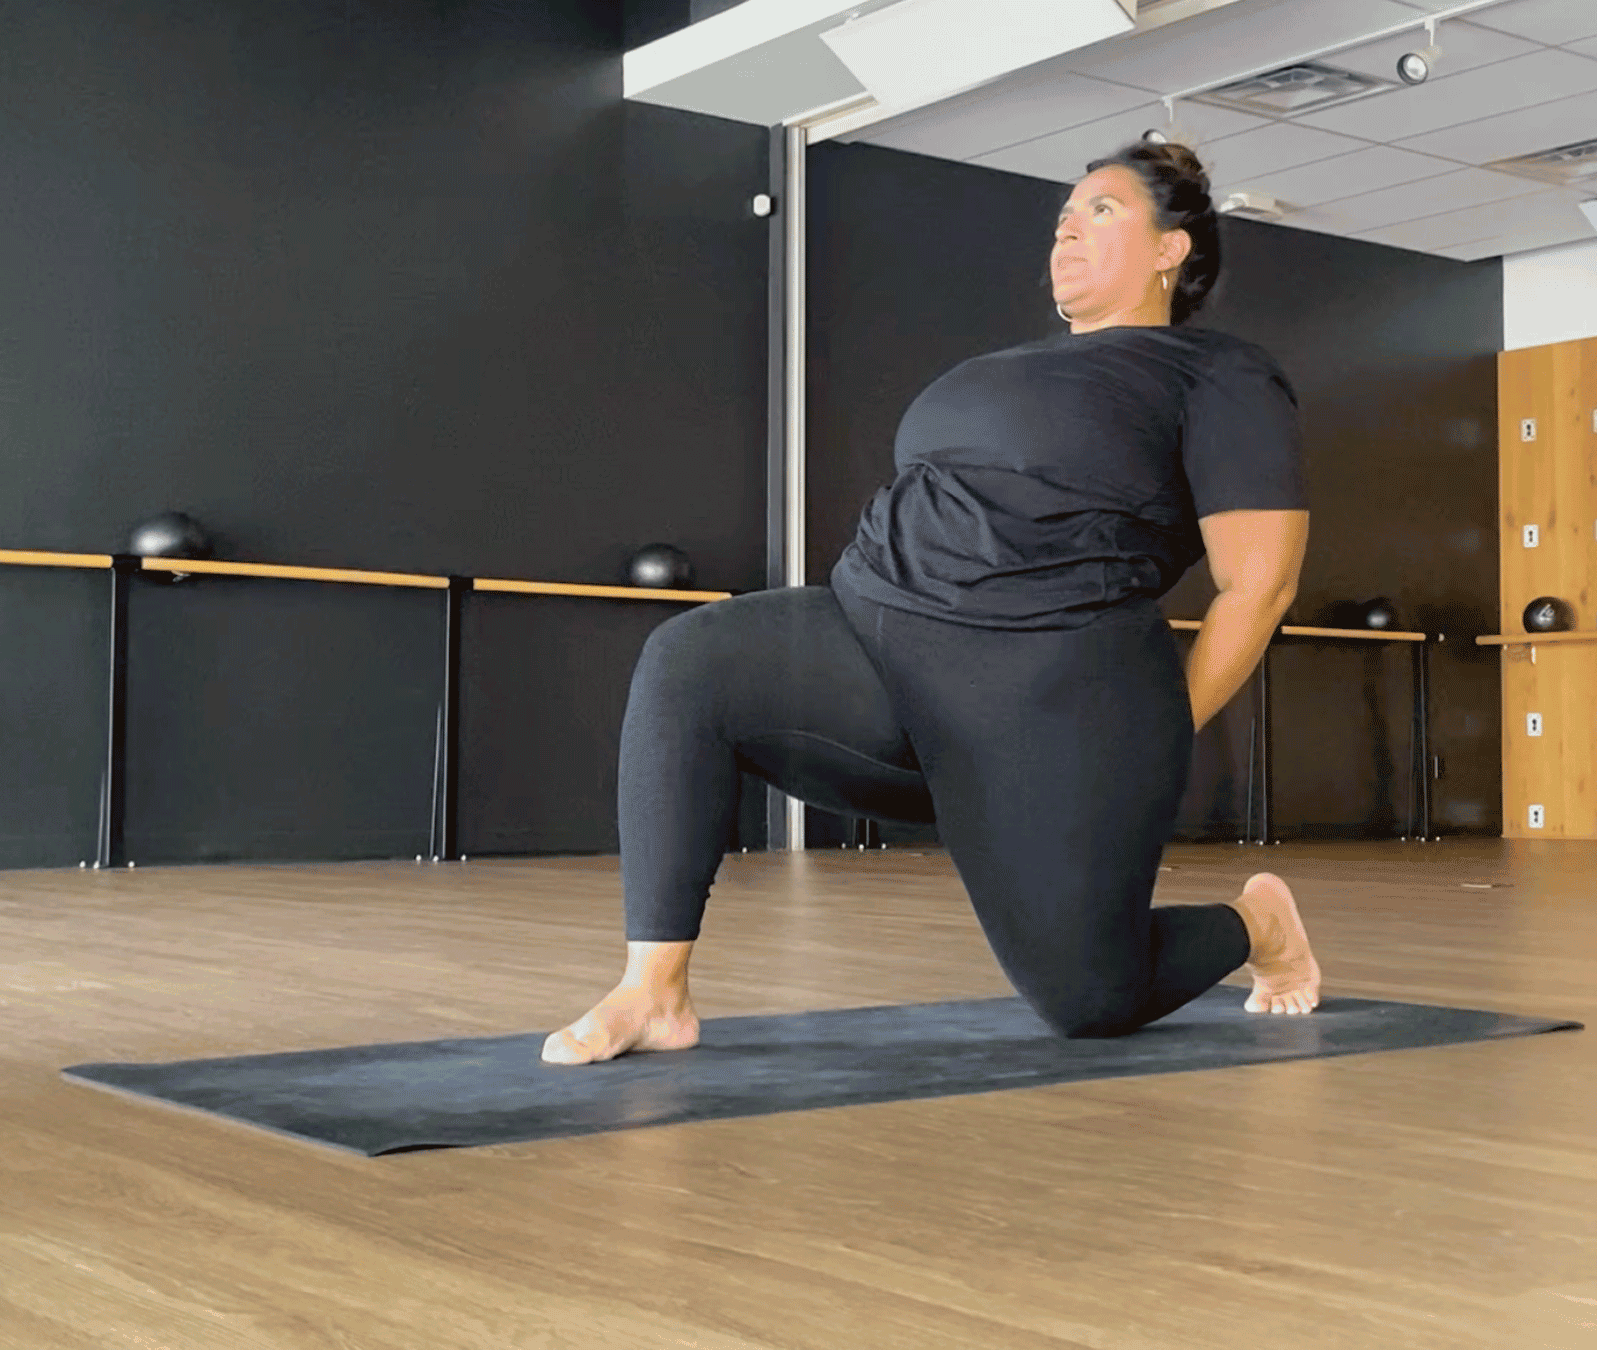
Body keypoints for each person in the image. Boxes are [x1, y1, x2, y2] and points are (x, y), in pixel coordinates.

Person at [544, 139, 1321, 1066]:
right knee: (689, 663)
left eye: (1103, 209)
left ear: (1171, 251)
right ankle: (655, 991)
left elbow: (1260, 581)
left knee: (1087, 999)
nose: (1068, 225)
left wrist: (1154, 731)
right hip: (873, 633)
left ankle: (1258, 923)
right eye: (1064, 214)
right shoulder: (1007, 368)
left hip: (1049, 695)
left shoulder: (1214, 375)